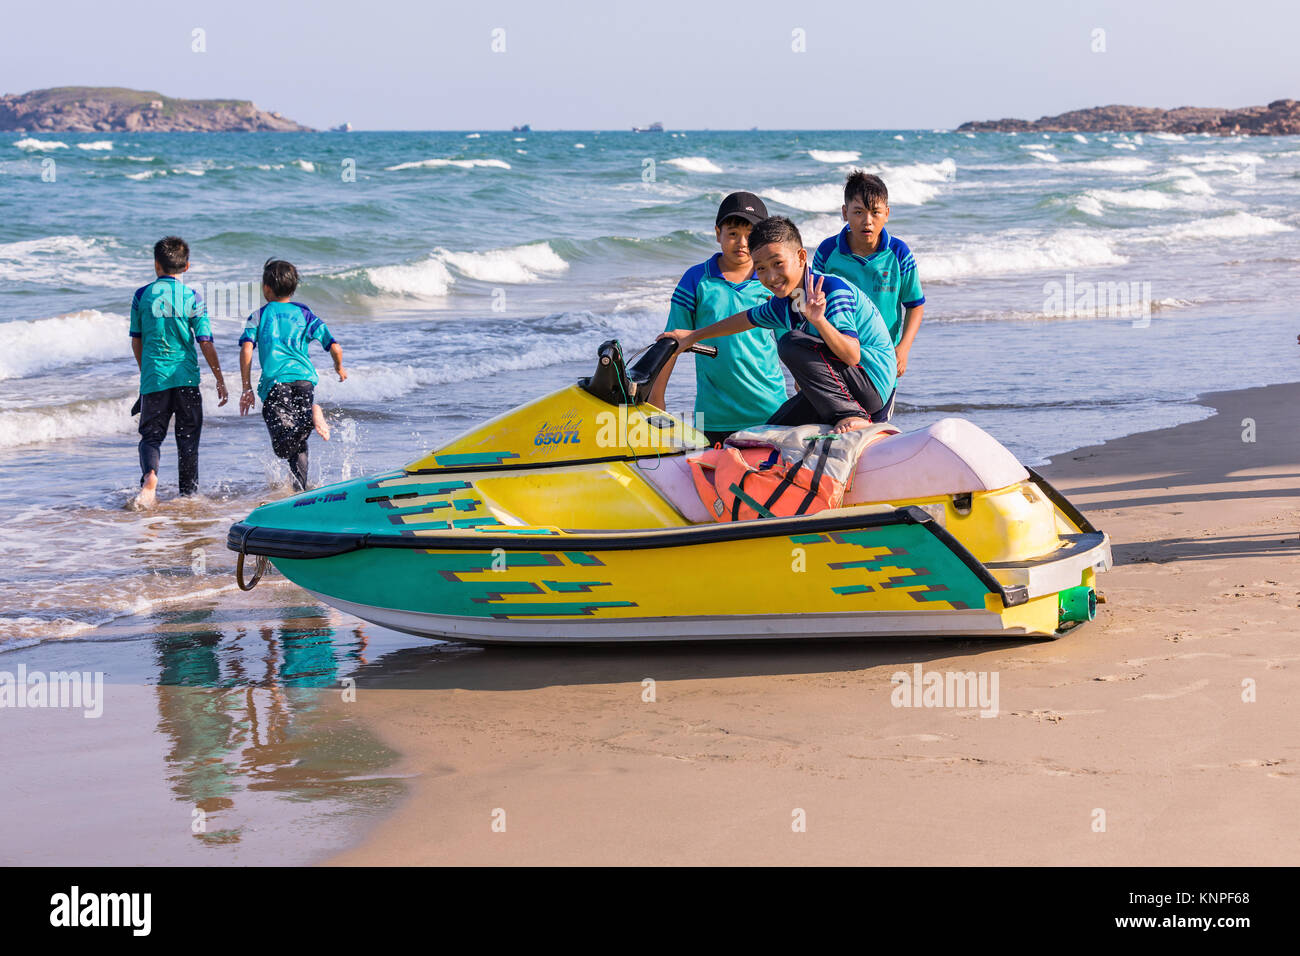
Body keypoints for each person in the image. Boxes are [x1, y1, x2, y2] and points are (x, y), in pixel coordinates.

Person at [658, 216, 895, 434]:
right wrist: (692, 336)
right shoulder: (785, 303)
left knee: (790, 343)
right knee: (773, 428)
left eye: (778, 263)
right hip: (846, 387)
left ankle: (851, 415)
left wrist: (819, 320)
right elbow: (744, 320)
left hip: (871, 385)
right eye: (761, 268)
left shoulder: (830, 290)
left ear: (801, 257)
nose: (771, 277)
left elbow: (852, 355)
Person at [646, 192, 787, 446]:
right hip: (713, 417)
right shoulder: (696, 279)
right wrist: (657, 398)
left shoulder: (771, 281)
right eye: (733, 233)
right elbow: (672, 342)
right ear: (717, 233)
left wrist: (806, 385)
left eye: (750, 235)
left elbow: (791, 341)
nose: (742, 243)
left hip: (770, 411)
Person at [811, 171, 924, 419]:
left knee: (876, 428)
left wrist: (903, 348)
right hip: (837, 356)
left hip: (883, 361)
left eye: (875, 212)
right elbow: (812, 305)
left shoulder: (898, 253)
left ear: (887, 214)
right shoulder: (828, 252)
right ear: (845, 213)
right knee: (840, 427)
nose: (867, 221)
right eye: (858, 212)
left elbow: (915, 304)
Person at [129, 236, 228, 508]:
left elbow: (136, 340)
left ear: (156, 264)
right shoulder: (193, 297)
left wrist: (146, 373)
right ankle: (188, 500)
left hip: (155, 380)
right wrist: (219, 379)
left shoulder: (141, 295)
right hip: (187, 379)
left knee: (151, 438)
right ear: (186, 267)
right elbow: (205, 342)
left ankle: (150, 477)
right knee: (188, 444)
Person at [238, 259, 346, 490]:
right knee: (298, 439)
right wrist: (339, 367)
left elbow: (247, 349)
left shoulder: (258, 316)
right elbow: (335, 347)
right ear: (293, 288)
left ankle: (312, 416)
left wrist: (246, 387)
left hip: (277, 384)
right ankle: (299, 490)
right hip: (305, 381)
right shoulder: (305, 314)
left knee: (282, 446)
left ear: (266, 288)